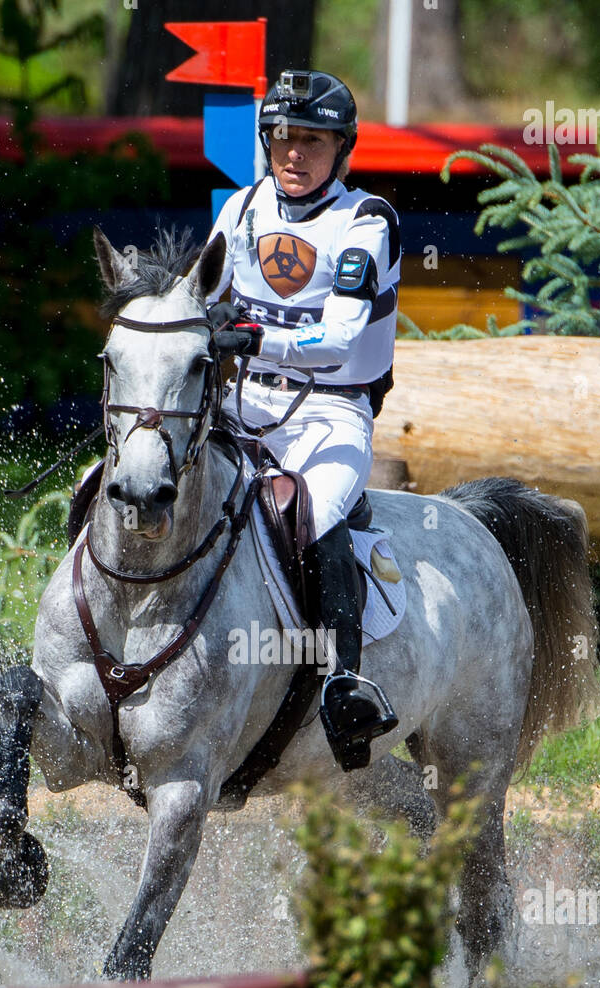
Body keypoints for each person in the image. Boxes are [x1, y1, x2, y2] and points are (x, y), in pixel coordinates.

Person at [205, 69, 401, 770]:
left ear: (341, 148)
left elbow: (341, 339)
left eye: (311, 141)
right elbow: (208, 300)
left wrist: (255, 336)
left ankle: (344, 683)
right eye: (282, 138)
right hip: (242, 400)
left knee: (314, 515)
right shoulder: (239, 210)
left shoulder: (365, 222)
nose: (293, 154)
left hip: (329, 412)